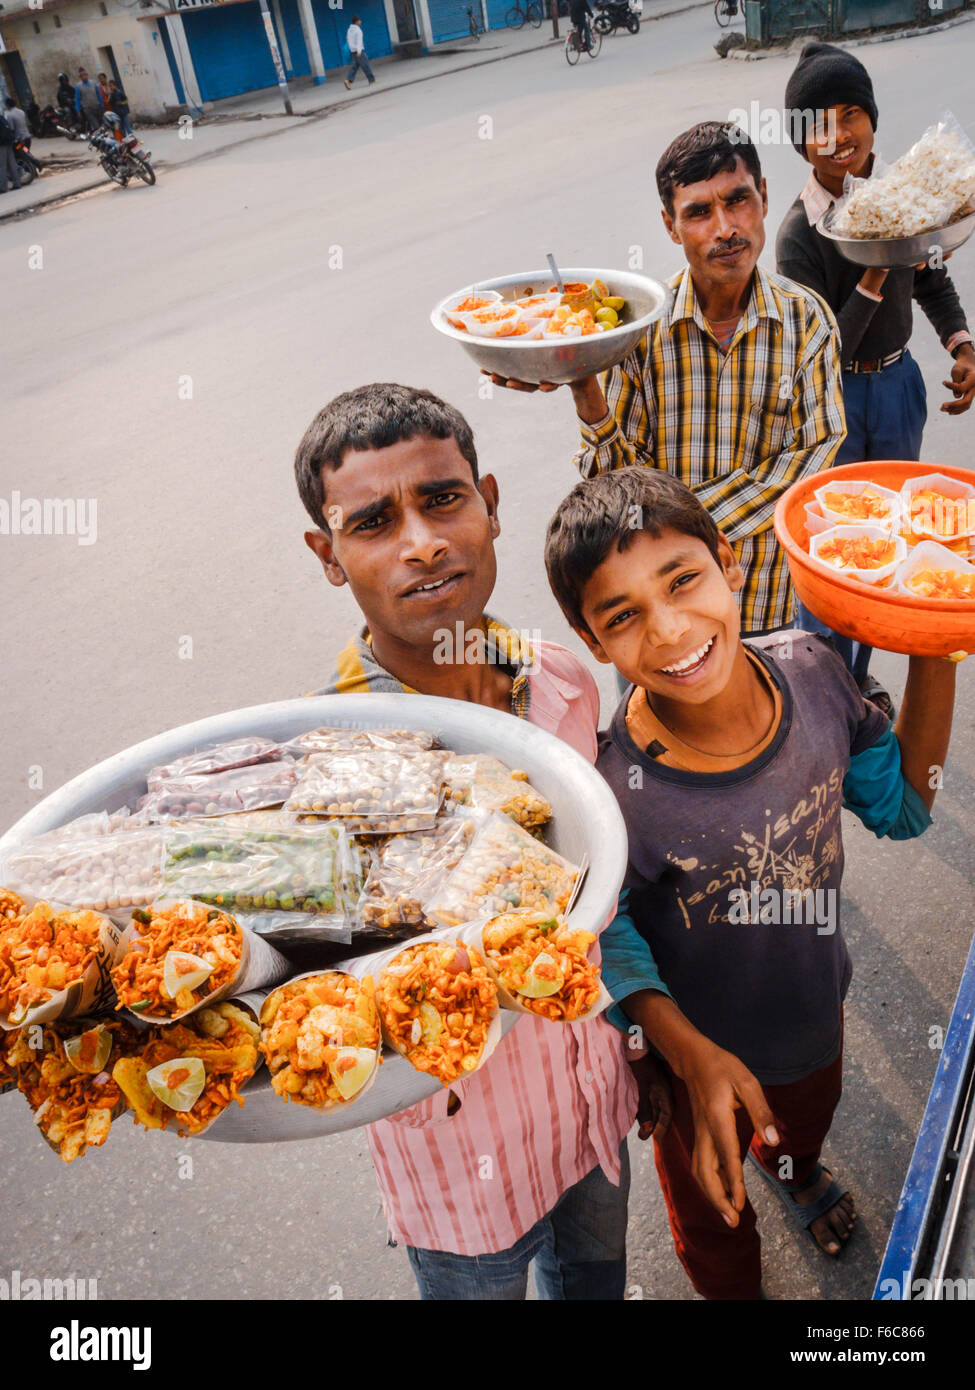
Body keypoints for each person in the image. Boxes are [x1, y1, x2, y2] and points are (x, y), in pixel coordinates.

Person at [293, 382, 672, 1301]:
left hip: (588, 1109)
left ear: (490, 504)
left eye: (442, 498)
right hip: (460, 1157)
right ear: (329, 556)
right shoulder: (326, 776)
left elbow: (597, 896)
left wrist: (643, 1023)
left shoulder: (559, 685)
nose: (421, 541)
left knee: (592, 1285)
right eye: (374, 521)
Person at [543, 465, 959, 1299]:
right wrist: (676, 1053)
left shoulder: (812, 673)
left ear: (729, 561)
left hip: (813, 1014)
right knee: (716, 1215)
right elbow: (606, 932)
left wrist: (939, 640)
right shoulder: (608, 785)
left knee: (801, 1129)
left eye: (683, 580)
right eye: (621, 616)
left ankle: (798, 1171)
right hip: (694, 1063)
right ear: (594, 643)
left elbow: (907, 808)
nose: (666, 631)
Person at [491, 122, 846, 641]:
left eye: (737, 199)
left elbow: (808, 463)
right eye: (699, 212)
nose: (725, 228)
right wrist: (583, 386)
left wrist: (673, 530)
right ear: (670, 226)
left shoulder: (806, 320)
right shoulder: (636, 334)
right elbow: (614, 489)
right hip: (655, 618)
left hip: (764, 605)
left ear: (764, 197)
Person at [777, 41, 975, 718]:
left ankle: (856, 680)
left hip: (896, 391)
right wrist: (872, 266)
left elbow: (931, 277)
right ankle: (821, 689)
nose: (838, 136)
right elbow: (820, 352)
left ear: (871, 122)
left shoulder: (897, 198)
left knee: (887, 542)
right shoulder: (799, 234)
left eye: (850, 115)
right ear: (800, 142)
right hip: (831, 403)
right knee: (830, 559)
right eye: (818, 124)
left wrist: (959, 342)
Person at [343, 17, 375, 89]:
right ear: (356, 22)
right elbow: (359, 41)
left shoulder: (349, 30)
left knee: (355, 66)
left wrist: (352, 49)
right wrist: (359, 51)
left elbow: (348, 40)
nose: (361, 22)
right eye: (359, 20)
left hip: (352, 51)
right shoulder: (358, 30)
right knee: (365, 65)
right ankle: (371, 80)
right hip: (359, 51)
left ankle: (348, 80)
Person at [0, 107, 21, 194]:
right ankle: (17, 183)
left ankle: (3, 187)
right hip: (9, 142)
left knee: (2, 166)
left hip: (1, 145)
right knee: (12, 163)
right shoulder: (1, 117)